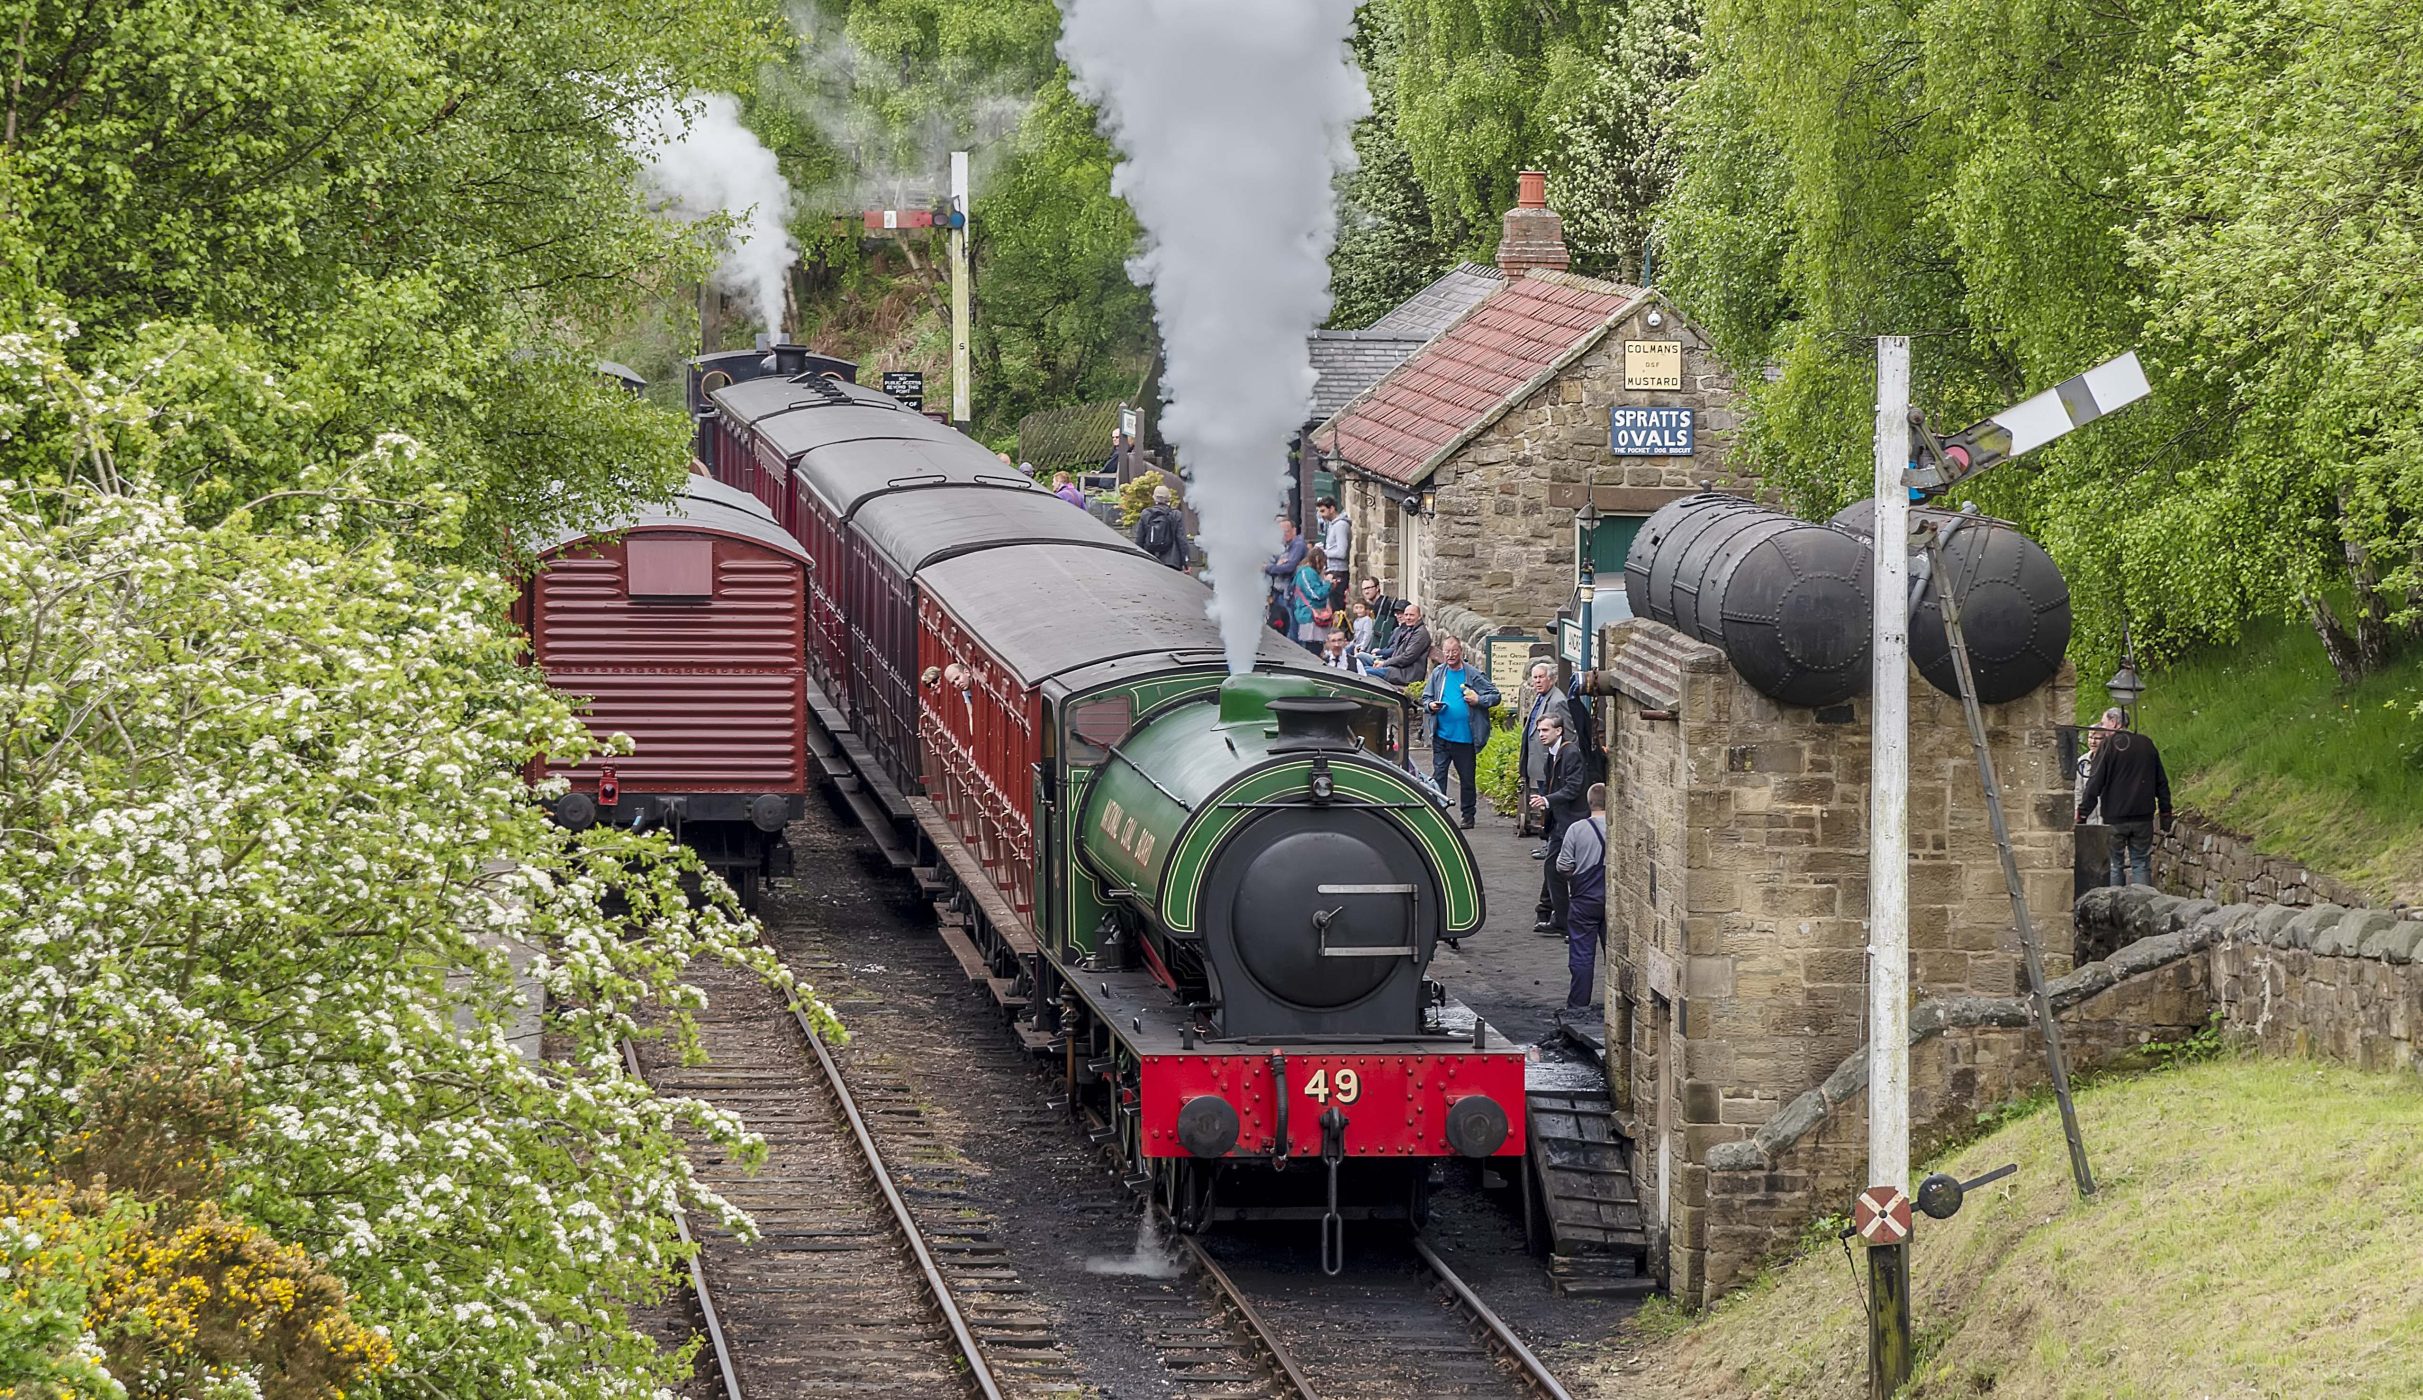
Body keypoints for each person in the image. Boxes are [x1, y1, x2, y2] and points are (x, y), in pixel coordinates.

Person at [2078, 713, 2173, 887]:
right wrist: (2166, 810)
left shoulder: (2109, 745)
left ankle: (2115, 908)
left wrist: (2083, 812)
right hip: (2143, 816)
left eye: (2104, 722)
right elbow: (2161, 781)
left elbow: (2095, 781)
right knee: (2141, 862)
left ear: (2114, 723)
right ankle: (2142, 905)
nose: (2102, 725)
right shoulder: (2147, 744)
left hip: (2115, 816)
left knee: (2115, 864)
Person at [1419, 635, 1500, 828]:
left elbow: (1495, 695)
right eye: (1447, 652)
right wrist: (1431, 706)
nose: (1450, 655)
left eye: (1454, 651)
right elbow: (1425, 698)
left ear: (1460, 651)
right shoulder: (1439, 674)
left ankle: (1468, 815)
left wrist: (1478, 700)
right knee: (1439, 776)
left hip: (1465, 739)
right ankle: (1439, 813)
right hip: (1442, 736)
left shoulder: (1472, 674)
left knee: (1466, 779)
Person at [1529, 712, 1588, 936]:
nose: (1541, 735)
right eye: (1539, 730)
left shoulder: (1570, 754)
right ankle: (1548, 913)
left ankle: (1565, 923)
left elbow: (1574, 788)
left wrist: (1546, 800)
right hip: (1559, 822)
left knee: (1558, 869)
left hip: (1571, 822)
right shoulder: (1552, 755)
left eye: (1545, 730)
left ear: (1559, 731)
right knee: (1552, 868)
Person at [1556, 782, 1609, 1013]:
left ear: (1589, 803)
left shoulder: (1577, 829)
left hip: (1585, 899)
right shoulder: (1622, 826)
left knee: (1582, 955)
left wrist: (1575, 878)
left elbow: (1563, 866)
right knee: (1618, 953)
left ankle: (1578, 1005)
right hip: (1613, 900)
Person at [1517, 661, 1578, 850]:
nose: (1537, 681)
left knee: (1551, 806)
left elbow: (1568, 732)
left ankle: (1551, 845)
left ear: (1551, 679)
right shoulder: (1541, 697)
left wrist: (1559, 760)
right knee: (1544, 805)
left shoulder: (1557, 700)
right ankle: (1547, 844)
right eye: (1534, 677)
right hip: (1540, 764)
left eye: (1541, 677)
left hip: (1551, 764)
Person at [1369, 601, 1432, 685]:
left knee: (1366, 671)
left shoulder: (1420, 634)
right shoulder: (1410, 629)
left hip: (1407, 674)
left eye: (1411, 615)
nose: (1408, 618)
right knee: (1363, 666)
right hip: (1396, 668)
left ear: (1419, 617)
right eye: (1406, 615)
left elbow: (1407, 657)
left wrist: (1384, 663)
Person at [1263, 515, 1307, 633]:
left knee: (1291, 627)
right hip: (1280, 591)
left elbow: (1289, 567)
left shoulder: (1298, 545)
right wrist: (1278, 565)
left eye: (1286, 531)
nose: (1284, 535)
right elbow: (1278, 563)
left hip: (1289, 593)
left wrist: (1268, 567)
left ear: (1294, 530)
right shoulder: (1286, 545)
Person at [1134, 484, 1190, 570]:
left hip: (1149, 559)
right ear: (1168, 499)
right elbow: (1181, 540)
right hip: (1171, 561)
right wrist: (1186, 563)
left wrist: (1138, 559)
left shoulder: (1146, 513)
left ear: (1154, 498)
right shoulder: (1175, 515)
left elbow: (1139, 539)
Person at [1289, 546, 1333, 651]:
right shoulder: (1307, 573)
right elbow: (1316, 594)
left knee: (1317, 648)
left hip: (1313, 616)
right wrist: (1328, 583)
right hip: (1309, 616)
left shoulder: (1309, 572)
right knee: (1312, 649)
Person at [1316, 497, 1352, 597]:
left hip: (1339, 571)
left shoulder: (1340, 525)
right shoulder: (1332, 525)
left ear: (1332, 509)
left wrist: (1323, 552)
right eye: (1319, 512)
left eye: (1323, 511)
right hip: (1332, 570)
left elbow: (1342, 552)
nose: (1321, 515)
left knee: (1337, 605)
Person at [1358, 577, 1403, 650]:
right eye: (1364, 589)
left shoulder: (1383, 604)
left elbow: (1381, 631)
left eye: (1369, 588)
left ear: (1377, 588)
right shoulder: (1375, 605)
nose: (1366, 592)